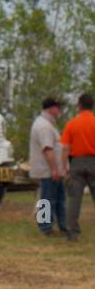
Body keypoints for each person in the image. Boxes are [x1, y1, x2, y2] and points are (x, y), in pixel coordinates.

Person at [28, 97, 67, 235]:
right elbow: (48, 149)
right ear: (51, 108)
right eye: (58, 107)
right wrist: (55, 169)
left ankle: (62, 225)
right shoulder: (44, 126)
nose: (59, 110)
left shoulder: (46, 124)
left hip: (50, 170)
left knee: (56, 198)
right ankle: (45, 227)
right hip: (48, 170)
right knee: (46, 200)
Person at [60, 92, 95, 243]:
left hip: (77, 162)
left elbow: (65, 148)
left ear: (79, 106)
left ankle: (72, 233)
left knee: (74, 199)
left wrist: (64, 167)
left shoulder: (72, 123)